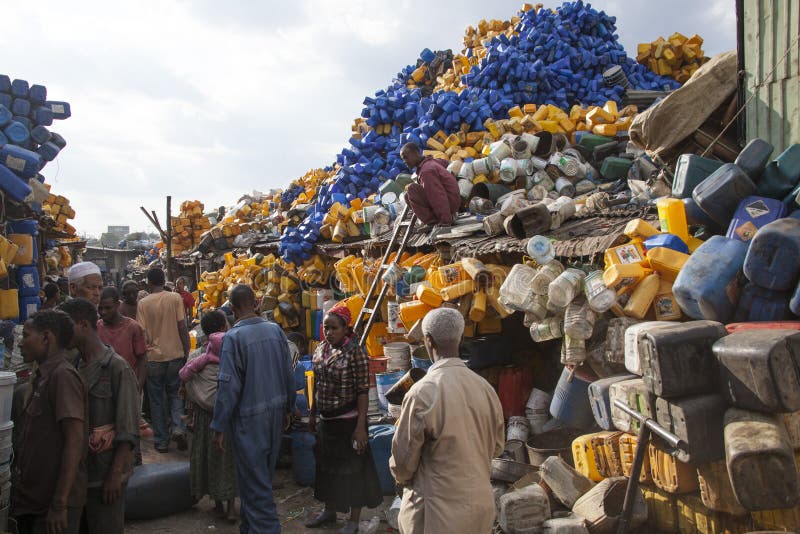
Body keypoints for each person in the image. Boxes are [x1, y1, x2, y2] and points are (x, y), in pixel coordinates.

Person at [390, 308, 504, 534]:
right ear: (460, 338)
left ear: (428, 340)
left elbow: (403, 464)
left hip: (438, 514)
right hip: (480, 509)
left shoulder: (422, 393)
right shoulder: (485, 388)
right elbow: (497, 447)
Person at [210, 285, 295, 534]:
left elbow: (227, 387)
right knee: (258, 481)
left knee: (257, 488)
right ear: (257, 302)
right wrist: (289, 407)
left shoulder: (233, 338)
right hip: (276, 414)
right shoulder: (275, 330)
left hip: (249, 420)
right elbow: (288, 373)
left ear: (233, 309)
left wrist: (218, 425)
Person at [60, 299, 139, 534]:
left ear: (83, 325)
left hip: (105, 474)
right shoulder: (73, 366)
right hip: (79, 475)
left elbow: (128, 426)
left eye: (67, 328)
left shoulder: (116, 368)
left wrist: (115, 474)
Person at [305, 305, 381, 534]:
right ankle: (329, 511)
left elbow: (362, 391)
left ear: (345, 328)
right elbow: (317, 385)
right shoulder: (321, 349)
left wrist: (360, 428)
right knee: (327, 469)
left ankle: (354, 521)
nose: (329, 332)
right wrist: (312, 414)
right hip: (326, 421)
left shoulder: (355, 352)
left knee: (354, 472)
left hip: (349, 423)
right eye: (325, 328)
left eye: (334, 328)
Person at [12, 309, 87, 534]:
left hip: (51, 507)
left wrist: (60, 503)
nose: (20, 343)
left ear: (46, 338)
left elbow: (75, 439)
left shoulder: (62, 376)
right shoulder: (42, 376)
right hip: (34, 501)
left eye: (26, 335)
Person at [179, 310, 238, 522]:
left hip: (205, 417)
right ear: (224, 328)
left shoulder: (197, 357)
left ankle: (218, 504)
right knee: (228, 460)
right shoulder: (233, 353)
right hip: (228, 416)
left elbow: (188, 382)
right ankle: (231, 507)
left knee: (209, 458)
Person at [137, 267, 190, 453]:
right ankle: (178, 427)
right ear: (164, 280)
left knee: (157, 400)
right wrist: (186, 350)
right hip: (175, 354)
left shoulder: (143, 303)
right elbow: (182, 326)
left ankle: (161, 441)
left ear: (149, 283)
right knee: (176, 394)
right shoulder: (175, 297)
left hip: (153, 358)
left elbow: (142, 334)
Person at [97, 287, 147, 393]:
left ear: (117, 305)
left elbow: (142, 359)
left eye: (107, 308)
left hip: (128, 386)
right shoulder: (97, 327)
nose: (103, 312)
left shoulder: (133, 327)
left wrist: (139, 387)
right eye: (100, 308)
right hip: (103, 388)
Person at [399, 142, 460, 228]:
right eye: (402, 159)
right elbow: (445, 162)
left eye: (406, 157)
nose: (404, 161)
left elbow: (438, 196)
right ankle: (439, 218)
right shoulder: (430, 163)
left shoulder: (426, 171)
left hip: (449, 205)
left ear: (416, 153)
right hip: (452, 202)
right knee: (407, 196)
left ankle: (434, 222)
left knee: (412, 189)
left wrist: (445, 221)